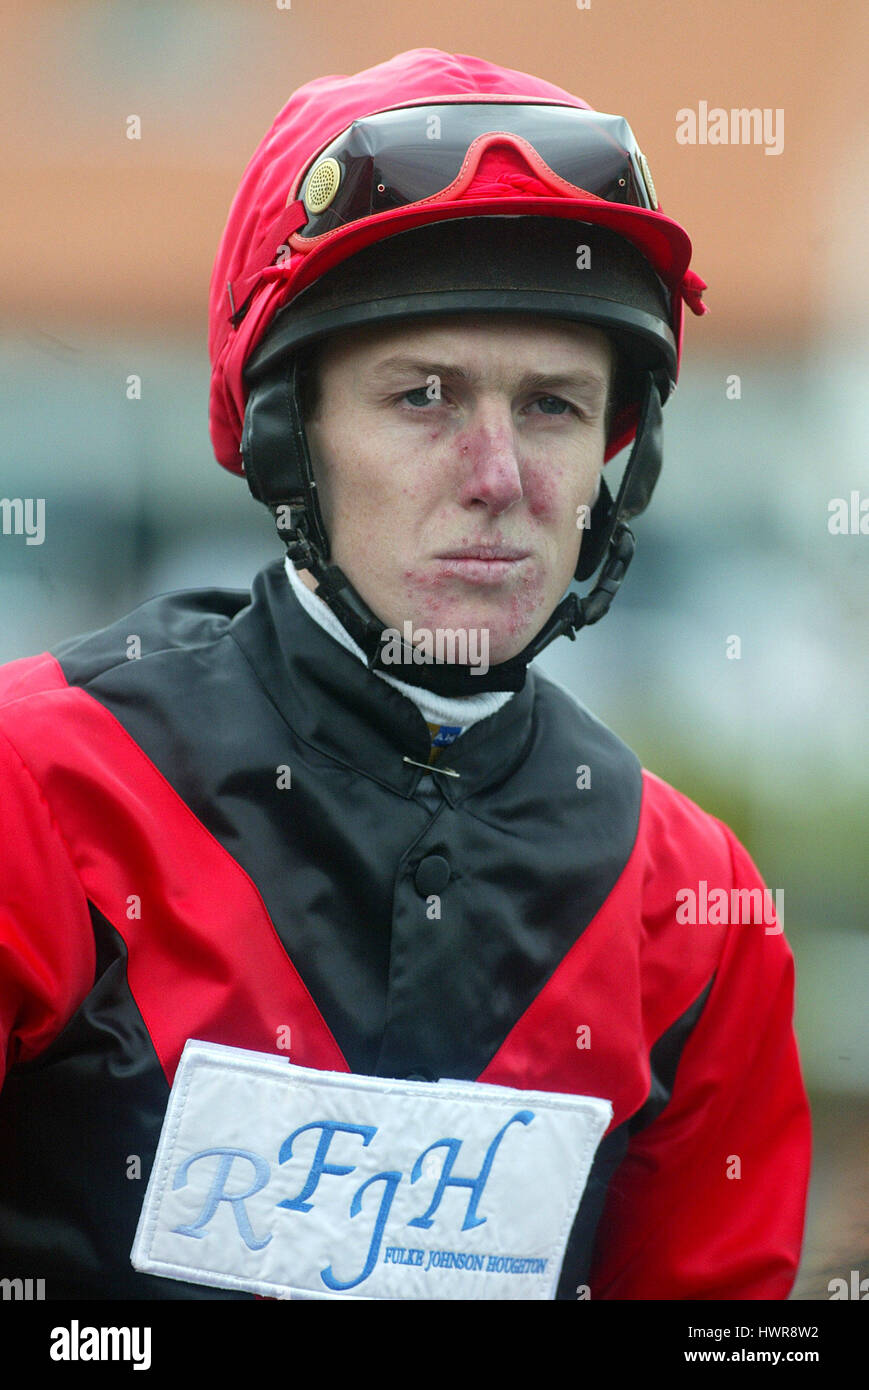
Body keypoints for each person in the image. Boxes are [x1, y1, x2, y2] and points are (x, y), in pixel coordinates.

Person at [0, 48, 810, 1301]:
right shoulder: (37, 790)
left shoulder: (695, 912)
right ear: (287, 438)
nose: (497, 476)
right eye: (424, 397)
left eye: (550, 407)